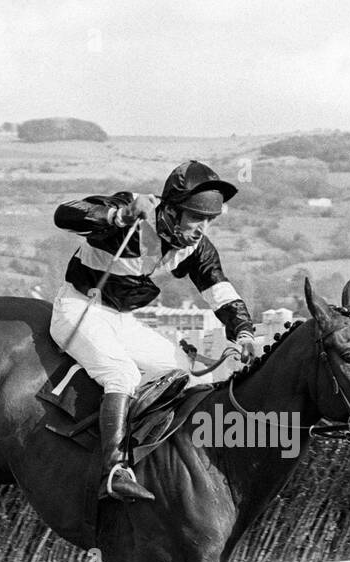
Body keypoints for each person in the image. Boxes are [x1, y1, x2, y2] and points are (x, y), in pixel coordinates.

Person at [51, 160, 258, 501]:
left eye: (210, 220)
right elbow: (65, 213)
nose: (202, 227)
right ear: (173, 210)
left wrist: (244, 333)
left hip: (121, 320)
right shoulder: (130, 210)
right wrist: (121, 216)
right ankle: (113, 470)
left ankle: (161, 459)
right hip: (78, 309)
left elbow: (220, 291)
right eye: (197, 217)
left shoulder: (195, 247)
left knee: (190, 374)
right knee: (123, 373)